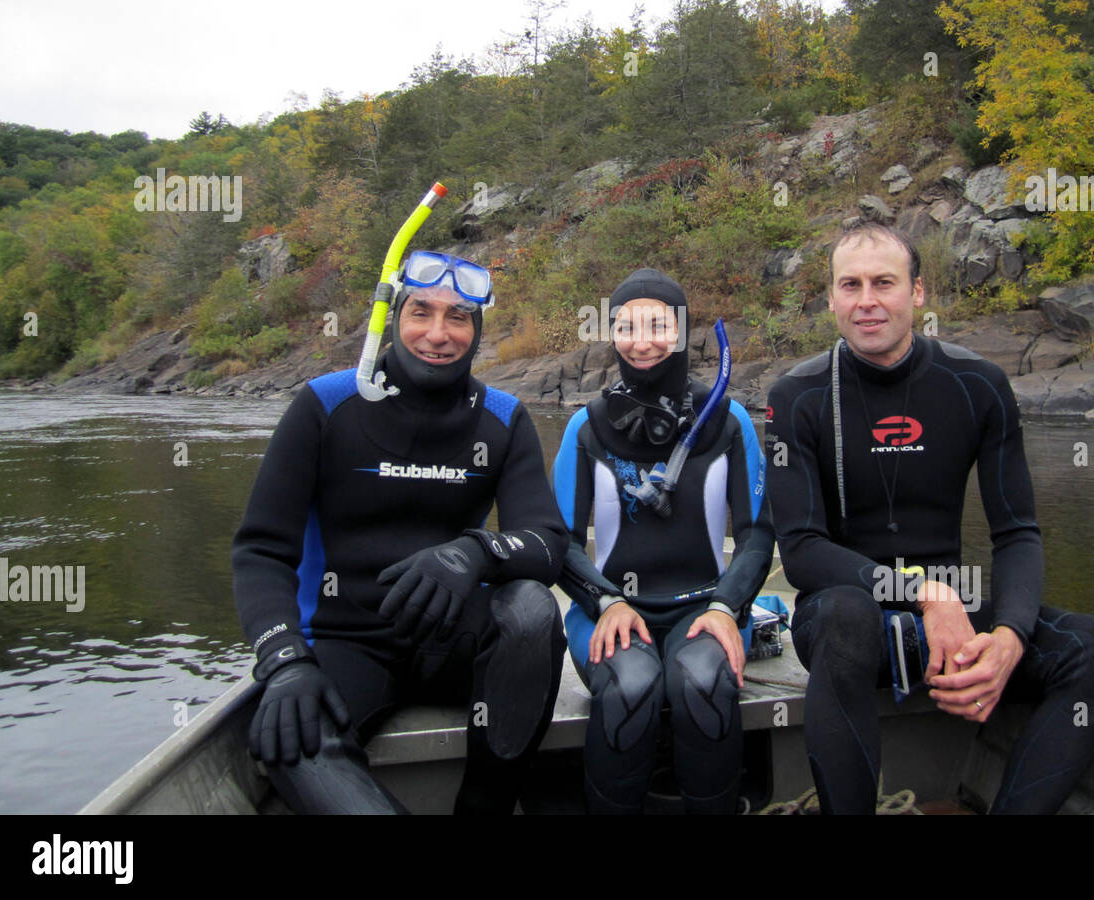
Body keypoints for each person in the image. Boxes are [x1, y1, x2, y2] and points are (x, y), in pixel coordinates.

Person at [764, 221, 1094, 815]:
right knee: (843, 617)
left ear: (917, 292)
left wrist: (1010, 637)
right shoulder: (798, 397)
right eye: (850, 285)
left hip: (951, 628)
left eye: (884, 283)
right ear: (831, 298)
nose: (866, 301)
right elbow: (804, 549)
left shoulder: (977, 386)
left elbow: (1016, 533)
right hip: (849, 620)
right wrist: (924, 596)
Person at [231, 250, 568, 814]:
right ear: (392, 318)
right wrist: (284, 657)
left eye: (458, 317)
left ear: (476, 330)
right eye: (421, 312)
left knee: (532, 611)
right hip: (347, 641)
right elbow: (262, 550)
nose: (438, 334)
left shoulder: (503, 418)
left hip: (455, 640)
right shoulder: (324, 406)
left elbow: (547, 544)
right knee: (293, 739)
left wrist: (475, 552)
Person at [551, 269, 774, 814]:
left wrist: (727, 606)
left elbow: (757, 532)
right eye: (628, 326)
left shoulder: (728, 420)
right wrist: (606, 600)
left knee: (702, 683)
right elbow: (557, 540)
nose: (643, 340)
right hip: (605, 609)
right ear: (612, 333)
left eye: (659, 324)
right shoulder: (585, 428)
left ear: (681, 329)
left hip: (706, 606)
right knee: (632, 687)